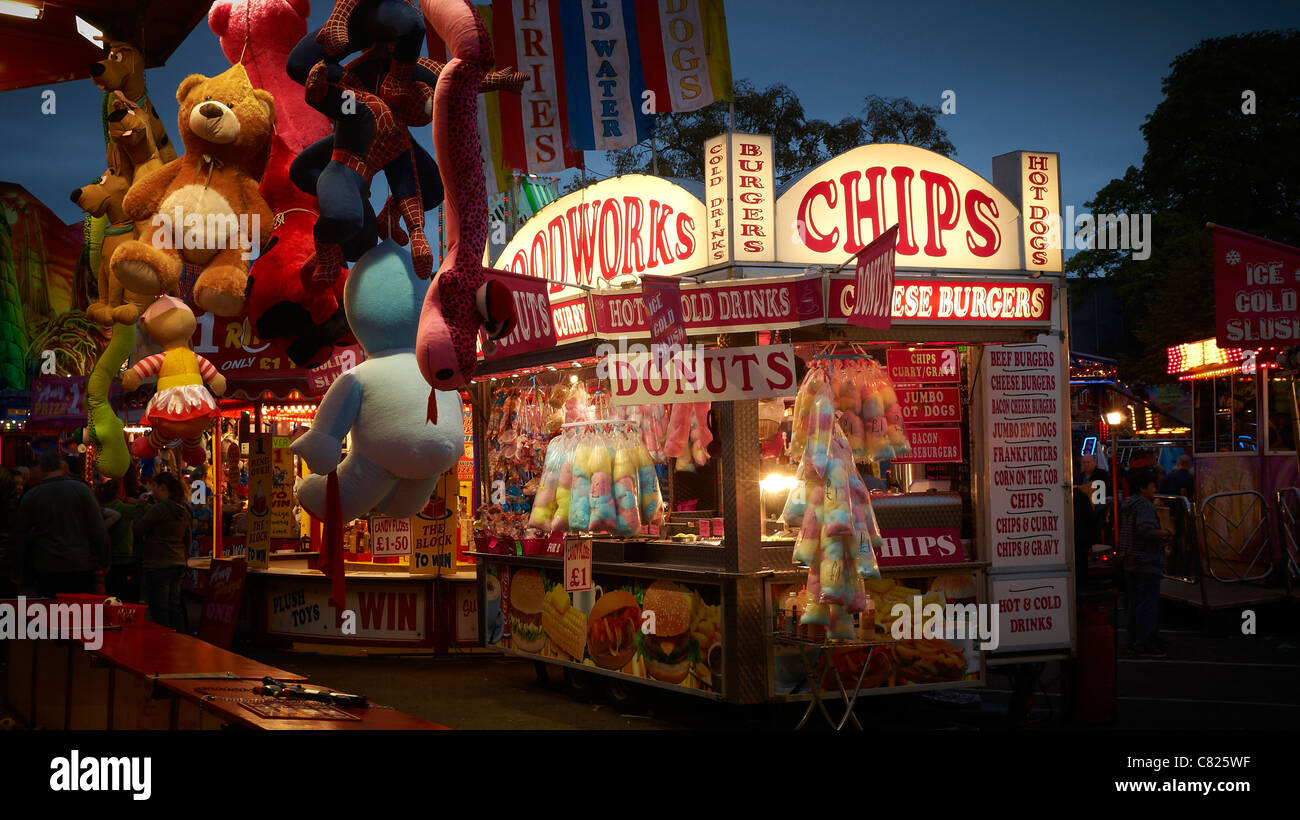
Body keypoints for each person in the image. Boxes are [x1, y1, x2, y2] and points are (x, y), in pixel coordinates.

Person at [12, 450, 110, 596]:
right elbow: (98, 529)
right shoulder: (82, 490)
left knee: (50, 614)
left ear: (42, 468)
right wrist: (105, 559)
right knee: (77, 614)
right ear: (61, 466)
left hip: (47, 565)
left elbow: (20, 534)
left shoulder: (32, 495)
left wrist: (17, 568)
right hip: (80, 564)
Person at [1121, 467, 1172, 657]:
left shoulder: (1128, 504)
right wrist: (1166, 533)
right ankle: (1144, 642)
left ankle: (1134, 640)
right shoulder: (1144, 506)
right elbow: (1145, 530)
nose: (1155, 489)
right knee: (1147, 604)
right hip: (1145, 560)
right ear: (1143, 488)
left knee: (1135, 604)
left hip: (1130, 560)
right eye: (1152, 486)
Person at [137, 472, 192, 630]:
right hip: (178, 561)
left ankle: (163, 642)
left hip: (159, 563)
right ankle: (180, 641)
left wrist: (140, 506)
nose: (152, 490)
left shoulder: (160, 508)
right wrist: (184, 558)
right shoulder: (184, 508)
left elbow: (139, 528)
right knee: (174, 606)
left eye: (153, 487)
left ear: (161, 488)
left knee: (159, 608)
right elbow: (187, 538)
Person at [99, 479, 141, 603]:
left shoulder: (100, 508)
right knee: (126, 596)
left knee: (110, 593)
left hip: (106, 557)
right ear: (120, 493)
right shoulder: (126, 509)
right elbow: (145, 513)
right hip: (124, 556)